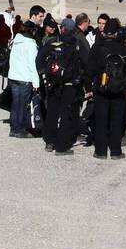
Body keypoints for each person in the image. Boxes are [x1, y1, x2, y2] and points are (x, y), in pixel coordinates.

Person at [84, 18, 126, 159]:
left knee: (101, 120)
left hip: (101, 89)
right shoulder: (124, 48)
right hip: (119, 90)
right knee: (116, 121)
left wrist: (88, 87)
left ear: (105, 32)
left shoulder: (97, 47)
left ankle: (100, 151)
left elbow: (89, 70)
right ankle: (116, 151)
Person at [38, 18, 86, 155]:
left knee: (52, 112)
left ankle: (49, 141)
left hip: (53, 83)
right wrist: (80, 78)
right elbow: (85, 62)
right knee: (66, 114)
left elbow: (39, 59)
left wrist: (44, 75)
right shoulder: (77, 43)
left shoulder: (52, 42)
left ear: (61, 28)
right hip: (69, 84)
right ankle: (61, 146)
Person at [6, 19, 40, 138]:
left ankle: (13, 128)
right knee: (22, 105)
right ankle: (19, 129)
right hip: (25, 78)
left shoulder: (16, 40)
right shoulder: (31, 44)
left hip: (13, 76)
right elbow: (32, 64)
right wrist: (36, 83)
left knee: (15, 103)